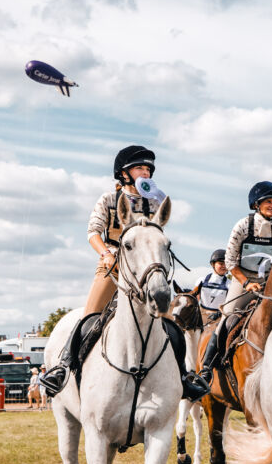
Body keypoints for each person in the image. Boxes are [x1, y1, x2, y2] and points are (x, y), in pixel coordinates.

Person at [39, 145, 207, 400]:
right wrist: (106, 254)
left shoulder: (155, 201)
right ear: (124, 173)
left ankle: (183, 377)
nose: (146, 172)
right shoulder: (108, 199)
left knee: (171, 324)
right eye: (141, 167)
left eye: (149, 169)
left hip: (147, 269)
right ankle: (63, 367)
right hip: (114, 266)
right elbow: (92, 232)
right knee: (88, 319)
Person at [197, 182, 272, 383]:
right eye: (268, 202)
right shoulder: (242, 226)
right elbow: (230, 261)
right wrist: (247, 283)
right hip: (244, 280)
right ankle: (207, 368)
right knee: (228, 317)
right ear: (257, 204)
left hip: (270, 284)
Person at [197, 249, 231, 316]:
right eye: (221, 263)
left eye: (226, 264)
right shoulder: (201, 280)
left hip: (219, 317)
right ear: (213, 264)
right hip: (201, 315)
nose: (224, 266)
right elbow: (196, 299)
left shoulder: (230, 284)